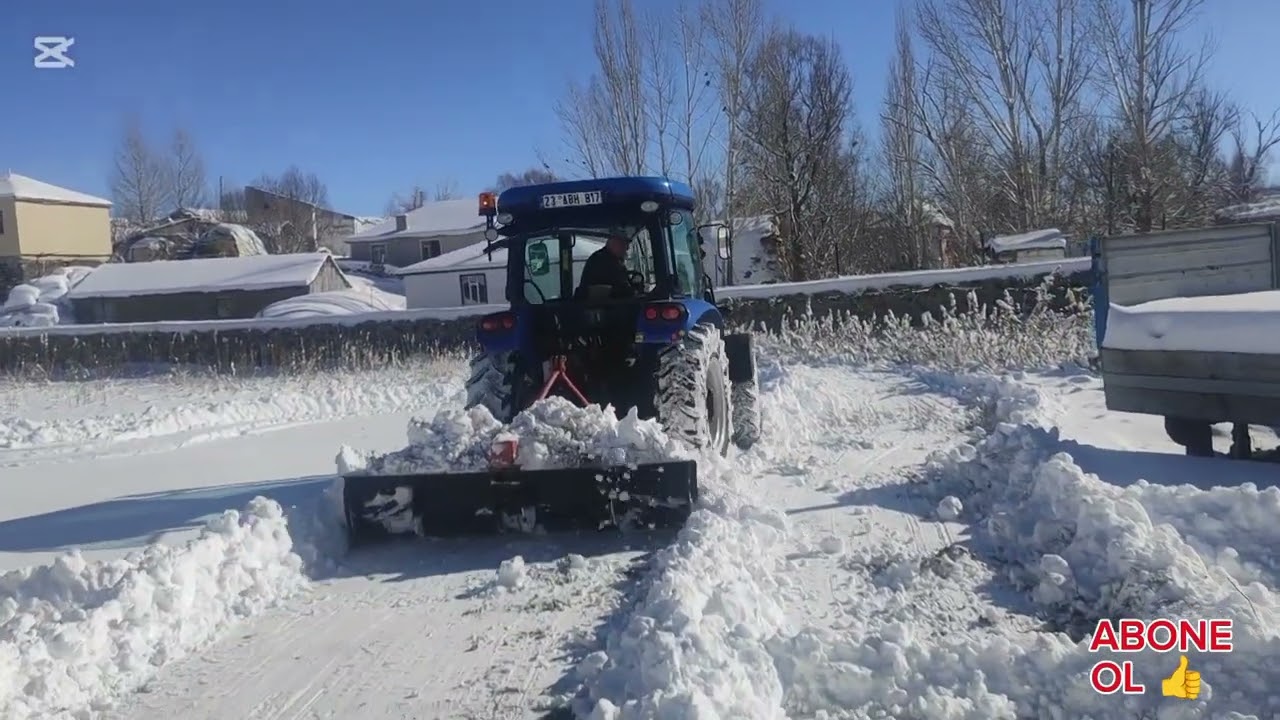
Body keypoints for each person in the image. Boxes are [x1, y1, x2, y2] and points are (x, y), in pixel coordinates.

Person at [577, 233, 638, 298]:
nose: (627, 248)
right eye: (623, 244)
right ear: (613, 243)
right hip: (600, 304)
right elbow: (618, 286)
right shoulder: (600, 260)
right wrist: (631, 291)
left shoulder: (614, 259)